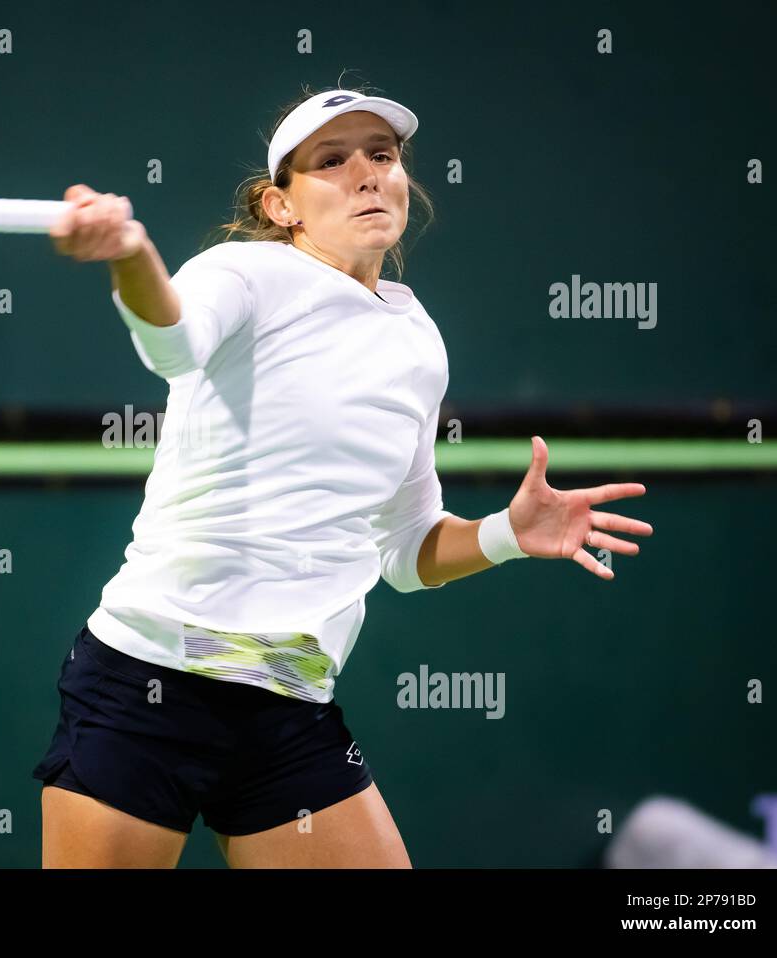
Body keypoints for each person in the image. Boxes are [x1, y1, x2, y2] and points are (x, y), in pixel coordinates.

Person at [35, 86, 653, 868]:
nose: (366, 174)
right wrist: (130, 254)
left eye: (382, 156)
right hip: (148, 681)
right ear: (280, 204)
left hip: (289, 702)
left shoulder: (417, 336)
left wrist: (506, 535)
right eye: (331, 161)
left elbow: (403, 551)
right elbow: (174, 343)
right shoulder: (244, 271)